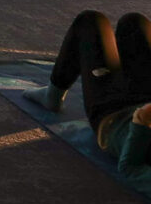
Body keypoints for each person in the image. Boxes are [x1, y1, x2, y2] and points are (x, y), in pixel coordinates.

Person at [23, 10, 151, 188]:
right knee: (134, 23)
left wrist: (142, 121)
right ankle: (120, 70)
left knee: (90, 21)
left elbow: (130, 169)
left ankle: (52, 96)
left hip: (114, 114)